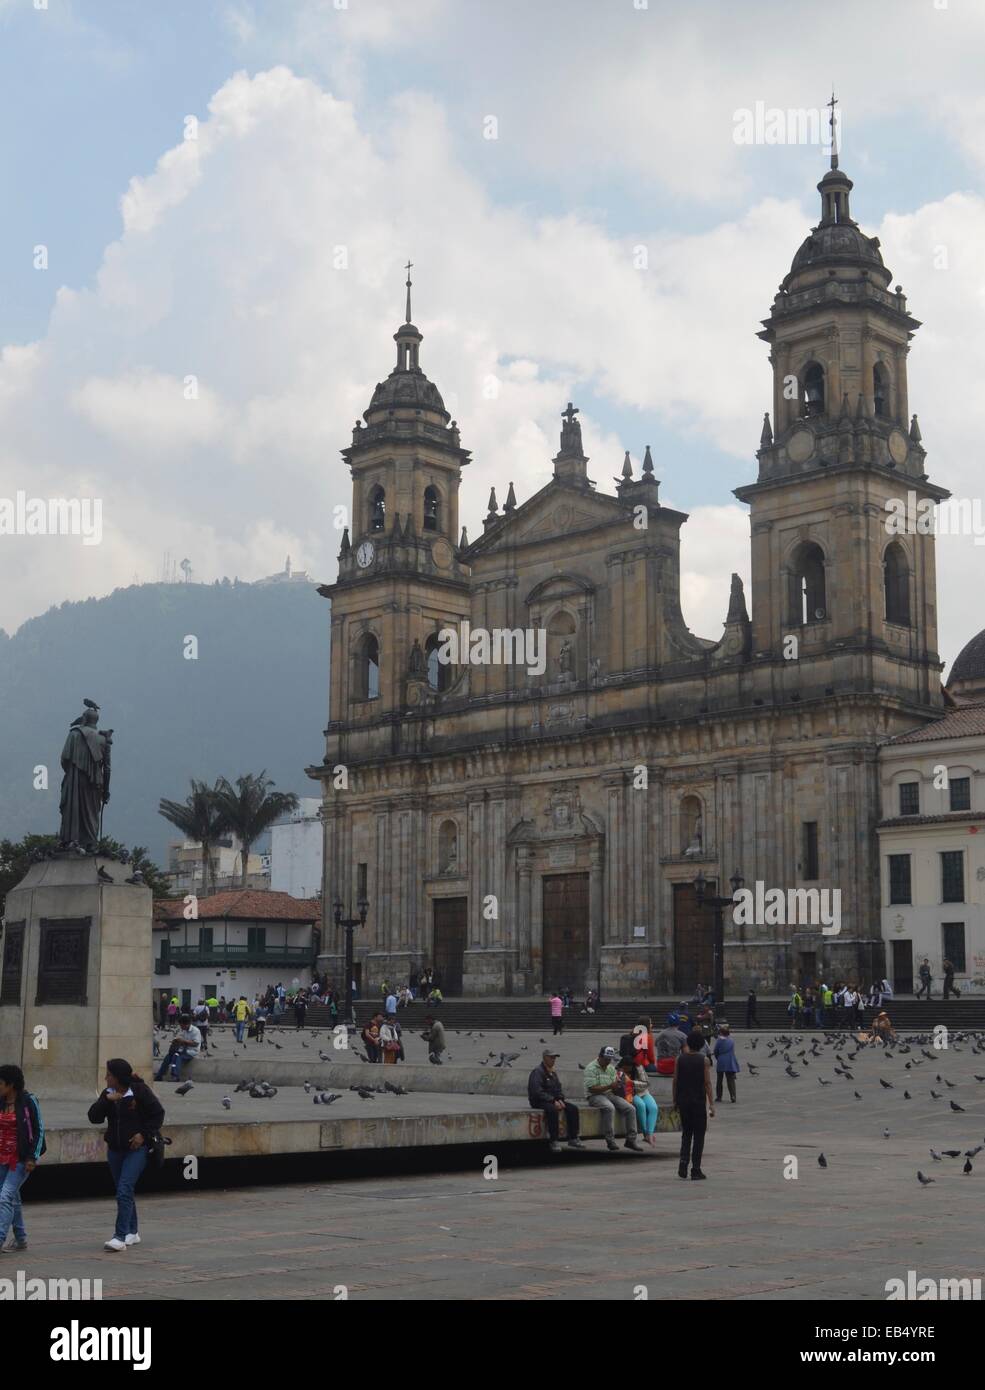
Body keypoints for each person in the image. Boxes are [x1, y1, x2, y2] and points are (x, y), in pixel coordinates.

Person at [87, 1059, 164, 1252]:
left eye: (109, 1075)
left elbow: (158, 1114)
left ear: (118, 1077)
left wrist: (143, 1135)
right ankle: (132, 1231)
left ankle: (119, 1237)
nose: (106, 1078)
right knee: (125, 1191)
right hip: (115, 1149)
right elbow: (93, 1117)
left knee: (123, 1189)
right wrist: (106, 1101)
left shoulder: (139, 1092)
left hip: (136, 1150)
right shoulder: (108, 1094)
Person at [0, 1065, 44, 1254]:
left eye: (0, 1083)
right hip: (1, 1158)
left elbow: (39, 1129)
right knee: (13, 1198)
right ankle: (20, 1238)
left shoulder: (28, 1101)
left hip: (20, 1159)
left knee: (4, 1198)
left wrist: (32, 1157)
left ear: (11, 1085)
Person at [583, 1046, 644, 1153]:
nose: (608, 1062)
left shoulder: (611, 1068)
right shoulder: (591, 1068)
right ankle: (610, 1140)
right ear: (600, 1057)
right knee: (609, 1108)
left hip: (609, 1093)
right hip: (594, 1096)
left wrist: (619, 1086)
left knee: (631, 1109)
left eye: (609, 1059)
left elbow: (613, 1086)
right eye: (606, 1059)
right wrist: (610, 1086)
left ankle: (631, 1140)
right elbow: (592, 1089)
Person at [674, 1029, 714, 1180]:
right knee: (699, 1137)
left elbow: (675, 1081)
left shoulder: (680, 1059)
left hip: (683, 1102)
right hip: (698, 1103)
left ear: (688, 1043)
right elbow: (707, 1083)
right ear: (701, 1044)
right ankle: (696, 1169)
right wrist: (711, 1104)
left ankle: (683, 1164)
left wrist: (674, 1099)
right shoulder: (704, 1060)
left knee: (686, 1134)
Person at [527, 1050, 584, 1153]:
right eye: (551, 1057)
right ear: (545, 1058)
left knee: (572, 1109)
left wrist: (560, 1099)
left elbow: (558, 1088)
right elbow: (537, 1092)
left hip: (553, 1099)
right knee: (552, 1111)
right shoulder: (538, 1072)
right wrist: (553, 1100)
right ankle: (554, 1140)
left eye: (554, 1058)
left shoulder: (552, 1072)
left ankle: (573, 1138)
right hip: (539, 1101)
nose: (553, 1060)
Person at [619, 1056, 659, 1145]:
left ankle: (650, 1133)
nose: (627, 1071)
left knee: (653, 1108)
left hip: (643, 1091)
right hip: (630, 1094)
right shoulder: (618, 1071)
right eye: (625, 1069)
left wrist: (632, 1083)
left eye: (628, 1069)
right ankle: (646, 1134)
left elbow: (647, 1083)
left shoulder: (639, 1068)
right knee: (641, 1105)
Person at [154, 1014, 201, 1082]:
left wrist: (183, 1041)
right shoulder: (184, 1030)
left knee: (177, 1057)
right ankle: (159, 1075)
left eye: (181, 1025)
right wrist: (176, 1041)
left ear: (187, 1024)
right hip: (183, 1049)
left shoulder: (195, 1031)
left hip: (191, 1051)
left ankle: (175, 1076)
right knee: (168, 1057)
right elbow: (183, 1041)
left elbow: (196, 1044)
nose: (181, 1027)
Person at [712, 1023, 740, 1103]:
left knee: (719, 1080)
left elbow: (716, 1051)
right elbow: (732, 1051)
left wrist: (718, 1058)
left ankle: (719, 1097)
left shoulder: (719, 1041)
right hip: (730, 1061)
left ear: (721, 1033)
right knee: (730, 1080)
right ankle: (733, 1096)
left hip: (721, 1060)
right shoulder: (731, 1040)